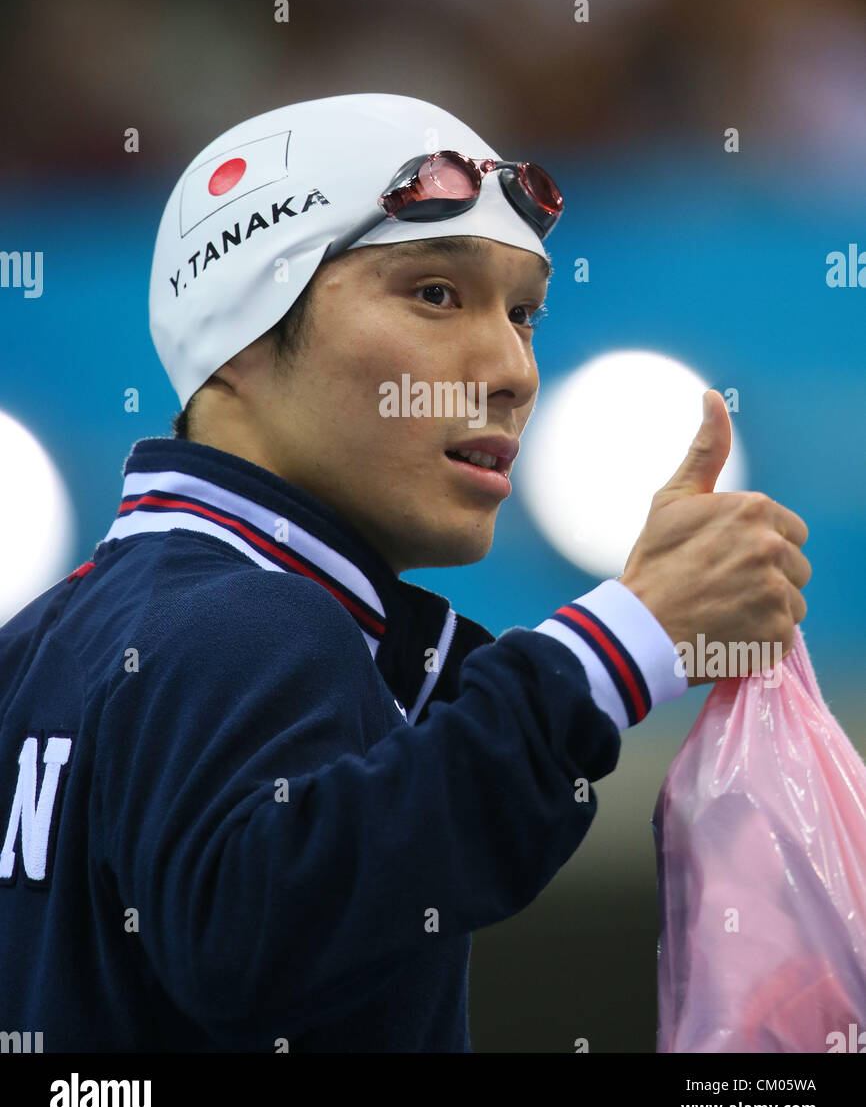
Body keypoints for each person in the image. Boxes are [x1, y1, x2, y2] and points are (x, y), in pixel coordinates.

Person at [0, 93, 810, 1052]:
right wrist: (619, 647)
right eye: (434, 295)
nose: (511, 369)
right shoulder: (253, 618)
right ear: (243, 334)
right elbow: (258, 930)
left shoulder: (38, 647)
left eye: (524, 315)